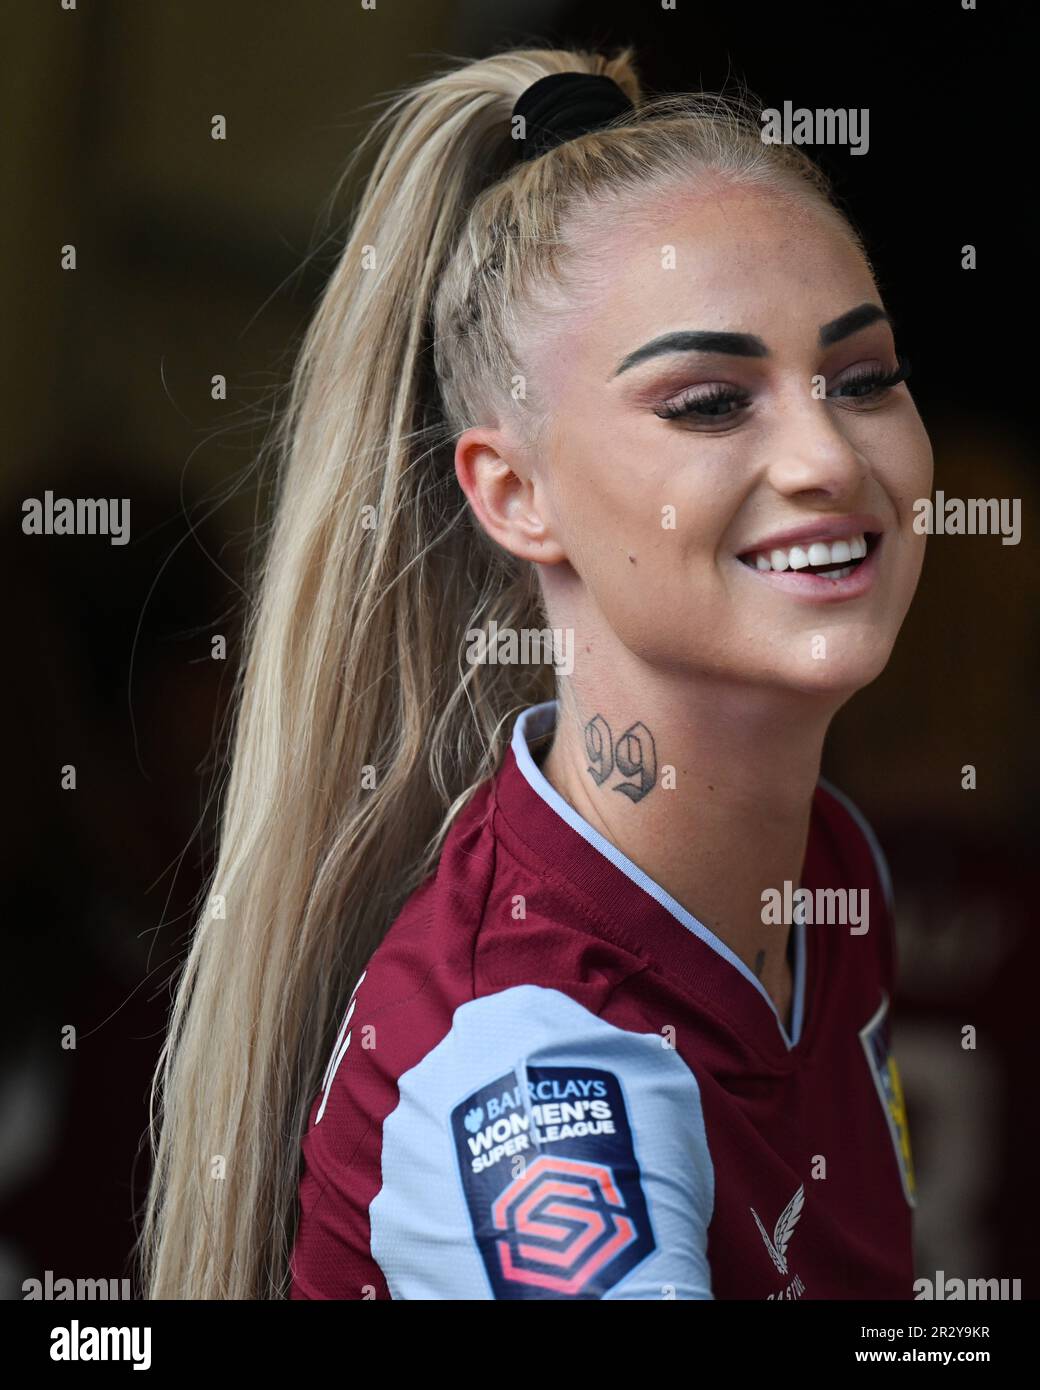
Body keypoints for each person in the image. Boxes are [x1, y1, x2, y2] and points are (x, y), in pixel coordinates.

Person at [138, 45, 930, 1300]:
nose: (827, 455)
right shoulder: (537, 1075)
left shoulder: (830, 872)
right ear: (512, 495)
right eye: (710, 401)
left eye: (863, 377)